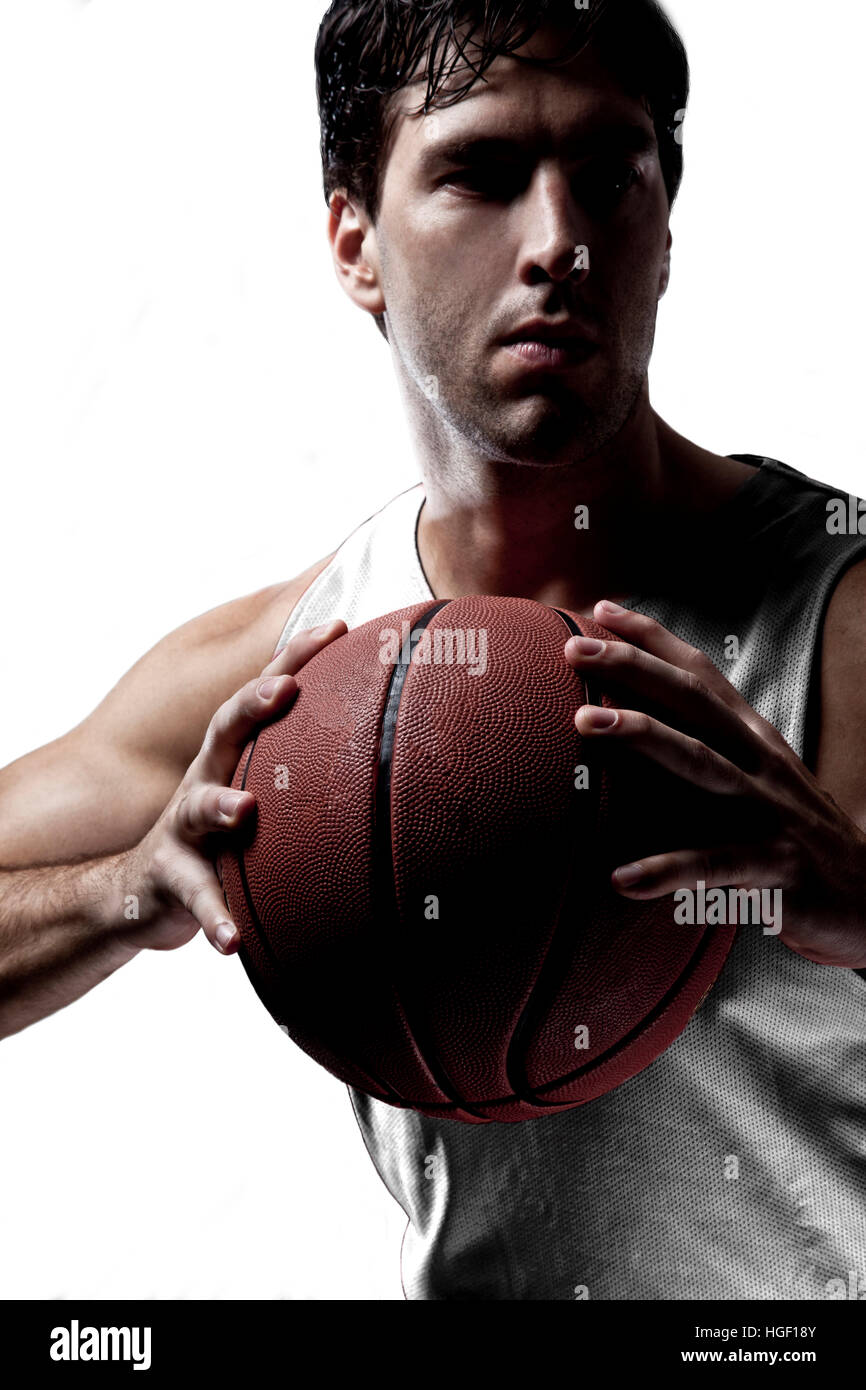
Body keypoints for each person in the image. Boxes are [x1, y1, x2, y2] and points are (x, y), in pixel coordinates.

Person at [1, 0, 864, 1299]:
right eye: (480, 172)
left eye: (607, 172)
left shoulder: (834, 611)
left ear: (664, 228)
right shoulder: (294, 673)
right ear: (353, 239)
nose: (557, 242)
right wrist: (122, 889)